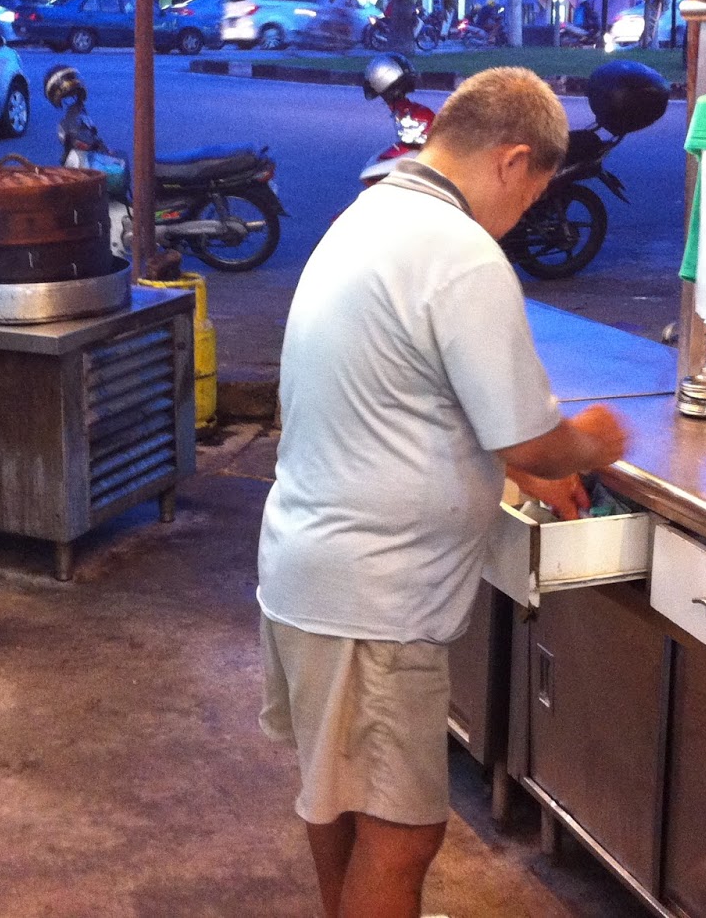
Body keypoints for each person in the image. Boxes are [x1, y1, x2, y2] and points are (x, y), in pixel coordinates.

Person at [258, 67, 630, 918]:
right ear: (513, 159)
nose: (527, 215)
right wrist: (594, 441)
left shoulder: (374, 213)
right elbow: (537, 432)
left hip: (306, 573)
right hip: (373, 599)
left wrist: (511, 467)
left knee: (337, 797)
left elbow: (395, 394)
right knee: (403, 830)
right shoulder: (459, 250)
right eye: (534, 195)